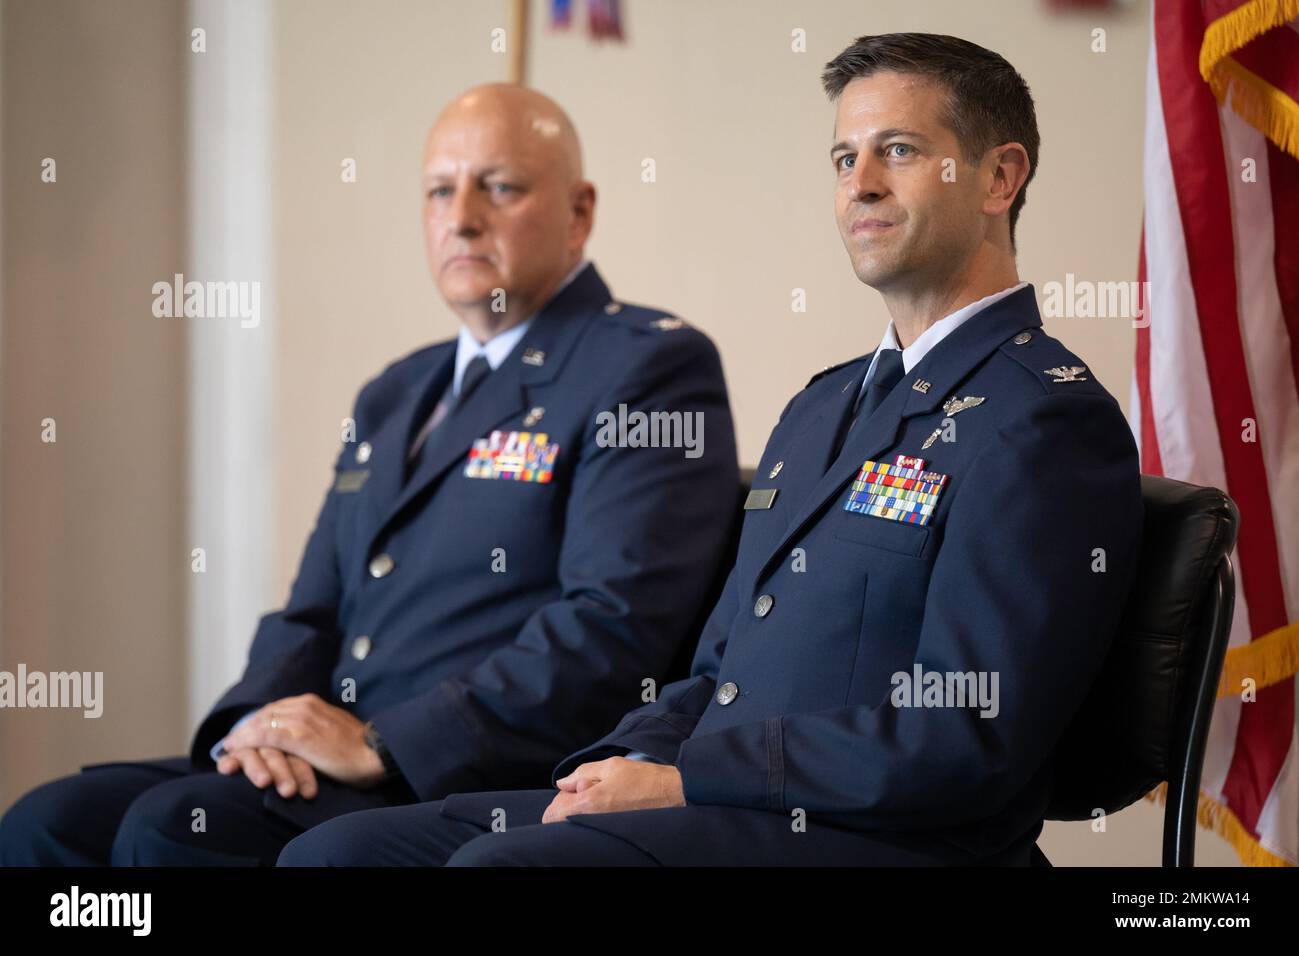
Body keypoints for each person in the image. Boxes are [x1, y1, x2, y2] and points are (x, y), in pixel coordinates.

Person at [278, 33, 1143, 867]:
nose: (862, 185)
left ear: (1000, 176)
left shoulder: (1043, 420)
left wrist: (685, 778)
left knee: (506, 867)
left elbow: (966, 734)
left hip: (881, 839)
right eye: (844, 159)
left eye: (900, 150)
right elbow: (715, 671)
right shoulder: (821, 406)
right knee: (340, 851)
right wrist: (618, 761)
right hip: (727, 806)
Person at [0, 83, 739, 866]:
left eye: (500, 187)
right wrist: (260, 725)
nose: (461, 218)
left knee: (178, 825)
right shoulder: (396, 391)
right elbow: (311, 609)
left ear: (579, 211)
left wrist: (385, 741)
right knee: (49, 821)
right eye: (438, 191)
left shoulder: (647, 366)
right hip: (338, 749)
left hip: (466, 763)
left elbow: (612, 628)